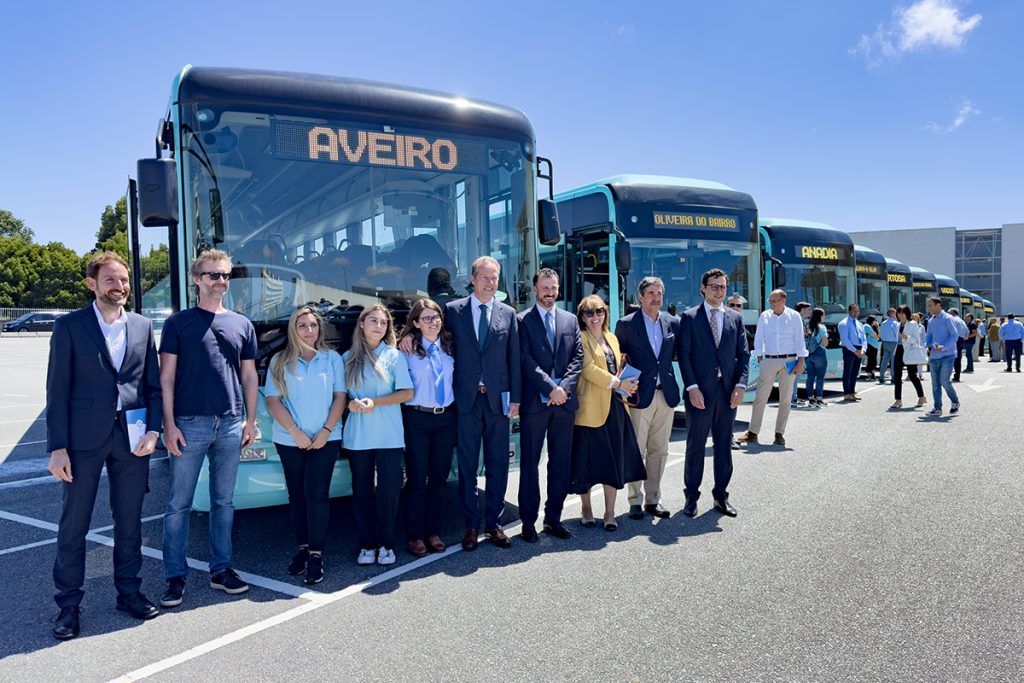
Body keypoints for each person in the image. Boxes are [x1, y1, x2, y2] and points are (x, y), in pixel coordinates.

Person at [45, 252, 162, 640]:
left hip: (132, 435)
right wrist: (58, 447)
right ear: (91, 283)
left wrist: (154, 430)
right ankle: (68, 605)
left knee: (129, 520)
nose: (120, 286)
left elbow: (152, 386)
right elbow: (57, 391)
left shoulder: (143, 327)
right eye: (111, 280)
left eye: (124, 280)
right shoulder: (70, 327)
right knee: (74, 524)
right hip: (82, 440)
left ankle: (128, 592)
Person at [159, 249, 259, 608]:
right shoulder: (178, 324)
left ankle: (221, 570)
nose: (220, 281)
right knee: (178, 505)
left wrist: (251, 419)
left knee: (223, 502)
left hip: (231, 423)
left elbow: (248, 375)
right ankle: (174, 577)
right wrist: (168, 425)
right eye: (213, 275)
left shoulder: (242, 324)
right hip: (189, 424)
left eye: (224, 275)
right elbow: (166, 376)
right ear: (197, 279)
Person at [407, 255, 521, 551]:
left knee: (498, 465)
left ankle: (493, 524)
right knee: (468, 467)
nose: (490, 283)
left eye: (495, 278)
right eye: (484, 277)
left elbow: (514, 360)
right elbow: (426, 325)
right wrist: (406, 336)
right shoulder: (453, 311)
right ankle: (471, 526)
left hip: (498, 403)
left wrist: (516, 399)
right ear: (472, 279)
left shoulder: (509, 314)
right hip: (466, 402)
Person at [265, 306, 346, 584]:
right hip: (290, 440)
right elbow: (273, 400)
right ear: (293, 329)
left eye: (313, 325)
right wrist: (295, 432)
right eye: (302, 326)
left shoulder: (332, 359)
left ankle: (315, 555)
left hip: (326, 438)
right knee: (296, 496)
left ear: (319, 329)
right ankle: (301, 549)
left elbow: (340, 397)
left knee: (317, 494)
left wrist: (325, 430)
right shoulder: (279, 361)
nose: (308, 331)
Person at [342, 305, 414, 566]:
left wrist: (374, 402)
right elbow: (341, 396)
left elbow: (407, 393)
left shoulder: (394, 356)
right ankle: (366, 544)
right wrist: (351, 404)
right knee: (361, 491)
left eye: (383, 323)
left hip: (389, 436)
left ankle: (386, 544)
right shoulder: (347, 358)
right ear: (361, 324)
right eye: (373, 321)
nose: (378, 326)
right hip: (359, 436)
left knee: (389, 491)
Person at [517, 269, 584, 542]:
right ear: (535, 290)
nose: (549, 292)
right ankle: (528, 523)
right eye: (544, 287)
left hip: (564, 405)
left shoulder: (570, 320)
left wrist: (563, 390)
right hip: (536, 404)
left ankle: (553, 518)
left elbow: (578, 358)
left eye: (553, 287)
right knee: (530, 465)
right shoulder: (522, 320)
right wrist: (550, 388)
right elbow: (525, 360)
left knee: (560, 464)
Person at [569, 295, 644, 530]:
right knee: (587, 464)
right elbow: (588, 369)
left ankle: (610, 513)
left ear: (605, 313)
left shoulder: (611, 337)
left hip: (616, 407)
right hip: (590, 410)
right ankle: (586, 508)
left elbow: (617, 367)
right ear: (582, 317)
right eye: (589, 313)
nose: (595, 317)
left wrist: (627, 382)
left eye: (599, 311)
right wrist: (617, 383)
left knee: (613, 463)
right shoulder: (580, 338)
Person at [678, 268, 749, 517]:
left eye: (722, 287)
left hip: (727, 392)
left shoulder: (735, 318)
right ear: (703, 288)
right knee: (695, 446)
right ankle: (691, 497)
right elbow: (684, 355)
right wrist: (692, 387)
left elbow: (744, 355)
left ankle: (721, 496)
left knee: (723, 447)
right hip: (699, 393)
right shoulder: (689, 317)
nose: (719, 291)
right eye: (714, 286)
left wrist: (741, 385)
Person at [613, 276, 681, 519]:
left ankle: (653, 499)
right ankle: (634, 500)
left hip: (667, 394)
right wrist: (621, 386)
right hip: (639, 395)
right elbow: (616, 359)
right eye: (651, 293)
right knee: (636, 449)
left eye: (660, 293)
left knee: (659, 450)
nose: (656, 297)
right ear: (640, 297)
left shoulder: (673, 323)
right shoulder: (626, 324)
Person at [396, 299, 457, 557]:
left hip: (446, 419)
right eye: (427, 318)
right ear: (415, 323)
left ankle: (432, 531)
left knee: (439, 478)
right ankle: (414, 534)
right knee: (417, 479)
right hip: (417, 419)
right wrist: (405, 338)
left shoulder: (451, 347)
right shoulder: (406, 351)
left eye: (436, 317)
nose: (433, 322)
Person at [738, 289, 806, 447]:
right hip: (768, 360)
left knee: (785, 400)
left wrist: (800, 362)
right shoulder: (765, 315)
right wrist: (760, 358)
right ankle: (753, 432)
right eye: (770, 301)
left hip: (789, 361)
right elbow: (759, 337)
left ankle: (779, 433)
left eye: (774, 301)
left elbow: (800, 341)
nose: (771, 303)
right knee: (760, 398)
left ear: (783, 301)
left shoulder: (794, 316)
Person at [924, 297, 961, 416]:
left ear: (938, 305)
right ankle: (937, 407)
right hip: (934, 356)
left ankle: (955, 401)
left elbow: (954, 336)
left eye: (930, 305)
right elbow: (928, 336)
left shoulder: (948, 318)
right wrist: (926, 345)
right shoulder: (930, 320)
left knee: (944, 380)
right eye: (928, 305)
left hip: (947, 355)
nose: (928, 308)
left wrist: (943, 347)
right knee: (935, 384)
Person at [890, 305, 926, 409]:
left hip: (910, 351)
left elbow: (917, 340)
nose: (900, 315)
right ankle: (898, 400)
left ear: (907, 314)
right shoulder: (897, 325)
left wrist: (907, 338)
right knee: (897, 375)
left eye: (903, 313)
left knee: (912, 375)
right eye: (899, 313)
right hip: (899, 350)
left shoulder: (913, 324)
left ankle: (921, 396)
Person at [838, 304, 866, 401]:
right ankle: (847, 393)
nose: (856, 313)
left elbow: (864, 339)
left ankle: (852, 392)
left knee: (855, 372)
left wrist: (863, 350)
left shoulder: (860, 324)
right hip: (849, 348)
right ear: (849, 311)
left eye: (857, 311)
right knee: (848, 371)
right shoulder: (843, 323)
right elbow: (845, 340)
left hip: (859, 348)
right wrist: (855, 351)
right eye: (854, 311)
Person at [804, 307, 829, 405]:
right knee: (820, 377)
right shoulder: (822, 327)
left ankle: (810, 398)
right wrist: (826, 342)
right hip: (819, 353)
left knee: (810, 376)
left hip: (808, 354)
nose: (824, 317)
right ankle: (819, 398)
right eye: (823, 315)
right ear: (820, 316)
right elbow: (825, 341)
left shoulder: (808, 326)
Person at [791, 302, 811, 407]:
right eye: (808, 309)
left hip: (798, 352)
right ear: (803, 309)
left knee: (796, 377)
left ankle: (794, 397)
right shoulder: (796, 318)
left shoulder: (801, 320)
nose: (810, 311)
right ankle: (792, 398)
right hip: (795, 353)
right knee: (794, 376)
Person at [878, 308, 899, 384]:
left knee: (884, 360)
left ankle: (881, 377)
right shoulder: (895, 323)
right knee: (893, 361)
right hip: (893, 343)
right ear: (893, 314)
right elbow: (896, 334)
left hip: (885, 342)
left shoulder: (883, 323)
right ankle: (893, 378)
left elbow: (881, 333)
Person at [949, 308, 968, 382]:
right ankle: (957, 375)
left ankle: (948, 375)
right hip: (961, 340)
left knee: (950, 357)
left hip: (954, 339)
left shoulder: (952, 319)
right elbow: (967, 332)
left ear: (953, 313)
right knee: (958, 358)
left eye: (949, 312)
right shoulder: (962, 321)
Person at [862, 315, 880, 381]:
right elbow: (875, 336)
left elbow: (878, 337)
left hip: (874, 345)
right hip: (870, 345)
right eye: (875, 320)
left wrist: (878, 328)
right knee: (872, 360)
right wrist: (877, 328)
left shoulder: (872, 327)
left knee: (872, 360)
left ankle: (871, 373)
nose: (876, 322)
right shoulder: (867, 326)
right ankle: (871, 373)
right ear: (872, 320)